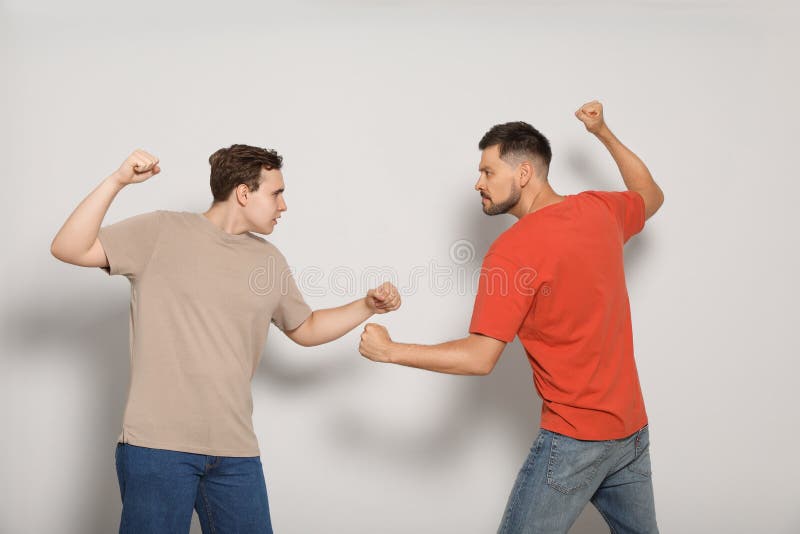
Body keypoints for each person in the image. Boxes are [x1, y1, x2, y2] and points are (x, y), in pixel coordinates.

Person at [50, 144, 401, 534]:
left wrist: (367, 305)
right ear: (244, 193)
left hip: (235, 453)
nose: (283, 206)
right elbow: (68, 247)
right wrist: (118, 181)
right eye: (277, 193)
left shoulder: (268, 260)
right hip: (158, 448)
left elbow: (305, 328)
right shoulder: (160, 231)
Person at [359, 101, 663, 533]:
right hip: (631, 431)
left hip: (575, 438)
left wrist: (390, 351)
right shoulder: (599, 210)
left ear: (523, 174)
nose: (477, 183)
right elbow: (651, 196)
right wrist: (604, 133)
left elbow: (479, 358)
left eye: (488, 172)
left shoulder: (512, 252)